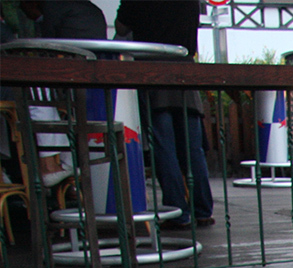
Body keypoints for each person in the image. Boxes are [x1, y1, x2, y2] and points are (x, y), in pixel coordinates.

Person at [115, 0, 213, 228]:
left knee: (163, 145)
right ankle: (202, 210)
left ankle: (178, 211)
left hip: (152, 69)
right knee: (193, 148)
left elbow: (121, 28)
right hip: (185, 68)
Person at [19, 1, 108, 188]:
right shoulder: (87, 9)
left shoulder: (53, 6)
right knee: (53, 103)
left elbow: (46, 46)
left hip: (73, 77)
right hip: (95, 80)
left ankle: (50, 164)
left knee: (36, 96)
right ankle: (65, 161)